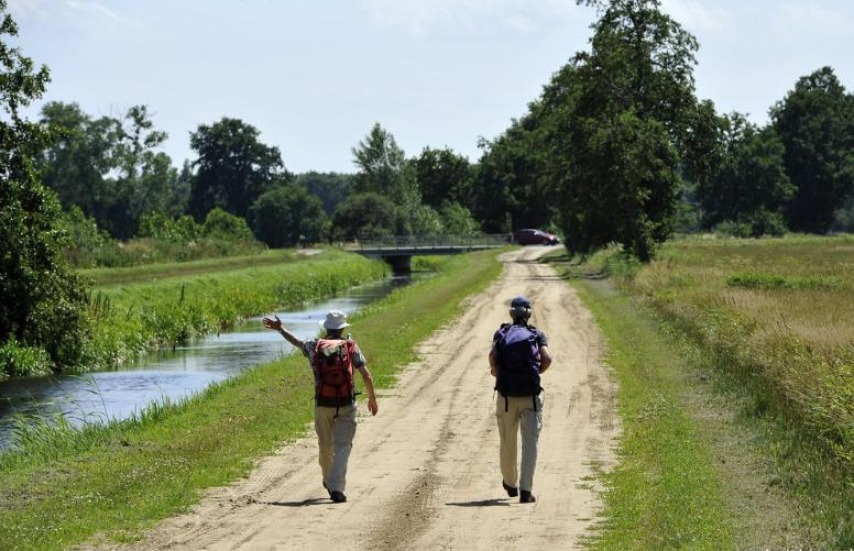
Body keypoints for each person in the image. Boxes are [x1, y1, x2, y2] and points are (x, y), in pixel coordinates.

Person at [262, 309, 378, 503]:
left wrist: (280, 329)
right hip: (347, 403)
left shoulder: (314, 346)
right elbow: (366, 374)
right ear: (342, 329)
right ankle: (336, 487)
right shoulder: (350, 346)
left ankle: (328, 480)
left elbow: (296, 342)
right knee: (343, 446)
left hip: (323, 403)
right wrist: (372, 398)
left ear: (326, 327)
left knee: (325, 445)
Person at [488, 296, 552, 503]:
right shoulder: (536, 334)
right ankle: (526, 491)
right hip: (531, 396)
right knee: (530, 444)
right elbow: (547, 358)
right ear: (528, 314)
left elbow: (492, 357)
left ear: (512, 314)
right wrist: (537, 372)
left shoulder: (502, 333)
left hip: (506, 397)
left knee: (508, 441)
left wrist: (496, 371)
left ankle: (510, 482)